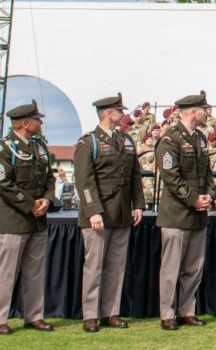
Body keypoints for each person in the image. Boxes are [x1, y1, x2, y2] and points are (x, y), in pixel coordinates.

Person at [75, 93, 145, 333]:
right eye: (119, 111)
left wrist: (139, 204)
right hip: (99, 213)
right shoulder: (89, 142)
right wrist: (92, 210)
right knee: (94, 266)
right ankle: (90, 315)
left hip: (122, 212)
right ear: (107, 113)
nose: (123, 115)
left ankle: (110, 312)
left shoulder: (126, 141)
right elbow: (84, 181)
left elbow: (135, 176)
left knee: (116, 266)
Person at [0, 100, 57, 335]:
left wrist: (47, 199)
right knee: (7, 271)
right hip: (13, 219)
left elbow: (49, 177)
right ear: (25, 123)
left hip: (37, 219)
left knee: (35, 271)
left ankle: (34, 316)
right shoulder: (4, 149)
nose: (40, 123)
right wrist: (30, 204)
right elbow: (2, 183)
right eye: (37, 119)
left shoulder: (39, 147)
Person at [156, 91, 216, 331]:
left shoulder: (201, 138)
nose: (207, 113)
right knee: (171, 269)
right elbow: (171, 177)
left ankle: (186, 311)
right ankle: (167, 314)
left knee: (194, 267)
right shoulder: (170, 140)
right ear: (193, 111)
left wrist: (210, 196)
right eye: (204, 109)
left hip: (198, 213)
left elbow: (209, 174)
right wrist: (194, 199)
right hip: (177, 214)